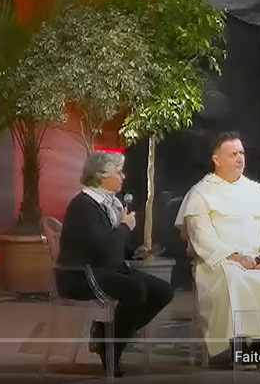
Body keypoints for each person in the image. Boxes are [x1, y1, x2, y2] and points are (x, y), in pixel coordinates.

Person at [178, 132, 260, 367]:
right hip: (222, 261)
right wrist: (234, 257)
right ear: (216, 159)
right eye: (233, 154)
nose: (239, 158)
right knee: (236, 279)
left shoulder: (257, 191)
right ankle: (241, 349)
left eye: (242, 153)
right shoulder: (201, 193)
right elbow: (202, 236)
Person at [57, 151, 176, 378]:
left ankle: (106, 337)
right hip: (82, 275)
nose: (123, 176)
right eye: (118, 172)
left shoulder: (109, 204)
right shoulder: (83, 206)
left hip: (108, 269)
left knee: (163, 291)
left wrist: (134, 252)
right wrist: (124, 227)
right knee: (135, 290)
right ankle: (112, 350)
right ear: (101, 176)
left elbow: (110, 246)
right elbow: (100, 246)